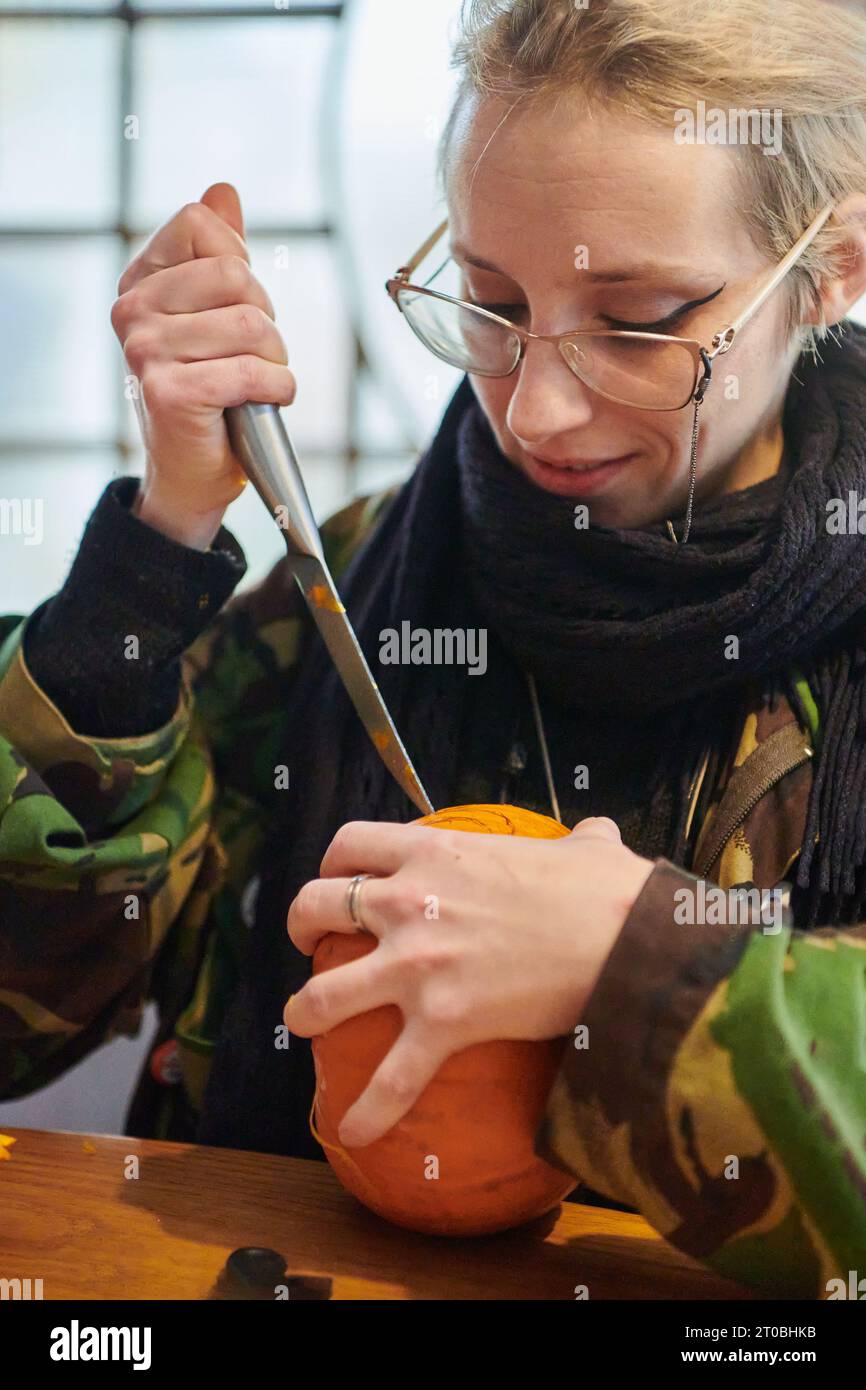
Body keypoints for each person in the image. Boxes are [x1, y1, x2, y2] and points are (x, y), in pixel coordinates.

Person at [2, 0, 866, 1298]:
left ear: (832, 264)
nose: (532, 405)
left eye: (634, 321)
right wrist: (157, 551)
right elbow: (25, 1007)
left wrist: (633, 969)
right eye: (487, 300)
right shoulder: (346, 582)